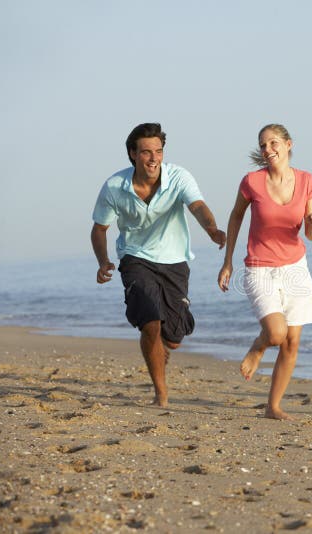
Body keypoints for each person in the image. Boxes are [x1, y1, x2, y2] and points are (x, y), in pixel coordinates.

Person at [91, 122, 227, 408]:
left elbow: (197, 206)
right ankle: (160, 393)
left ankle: (162, 344)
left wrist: (212, 229)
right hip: (135, 259)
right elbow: (99, 229)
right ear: (133, 154)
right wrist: (103, 262)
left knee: (174, 339)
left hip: (174, 261)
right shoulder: (115, 186)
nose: (153, 158)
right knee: (150, 322)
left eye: (158, 151)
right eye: (146, 152)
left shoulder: (178, 177)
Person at [218, 124, 312, 421]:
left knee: (292, 342)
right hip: (260, 268)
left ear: (288, 144)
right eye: (263, 145)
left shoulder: (306, 180)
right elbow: (236, 216)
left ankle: (272, 407)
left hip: (295, 267)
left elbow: (311, 234)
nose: (267, 149)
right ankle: (258, 346)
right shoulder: (252, 181)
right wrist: (228, 261)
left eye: (273, 143)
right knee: (276, 333)